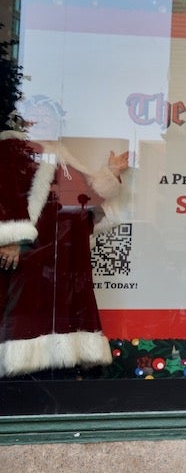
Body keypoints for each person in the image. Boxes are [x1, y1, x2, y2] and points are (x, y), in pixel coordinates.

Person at [0, 121, 130, 376]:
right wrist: (10, 236)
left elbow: (83, 194)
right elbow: (5, 192)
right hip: (33, 251)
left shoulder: (58, 152)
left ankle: (52, 374)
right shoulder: (11, 147)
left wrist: (110, 174)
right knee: (27, 314)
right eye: (37, 112)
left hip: (64, 249)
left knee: (60, 313)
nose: (42, 119)